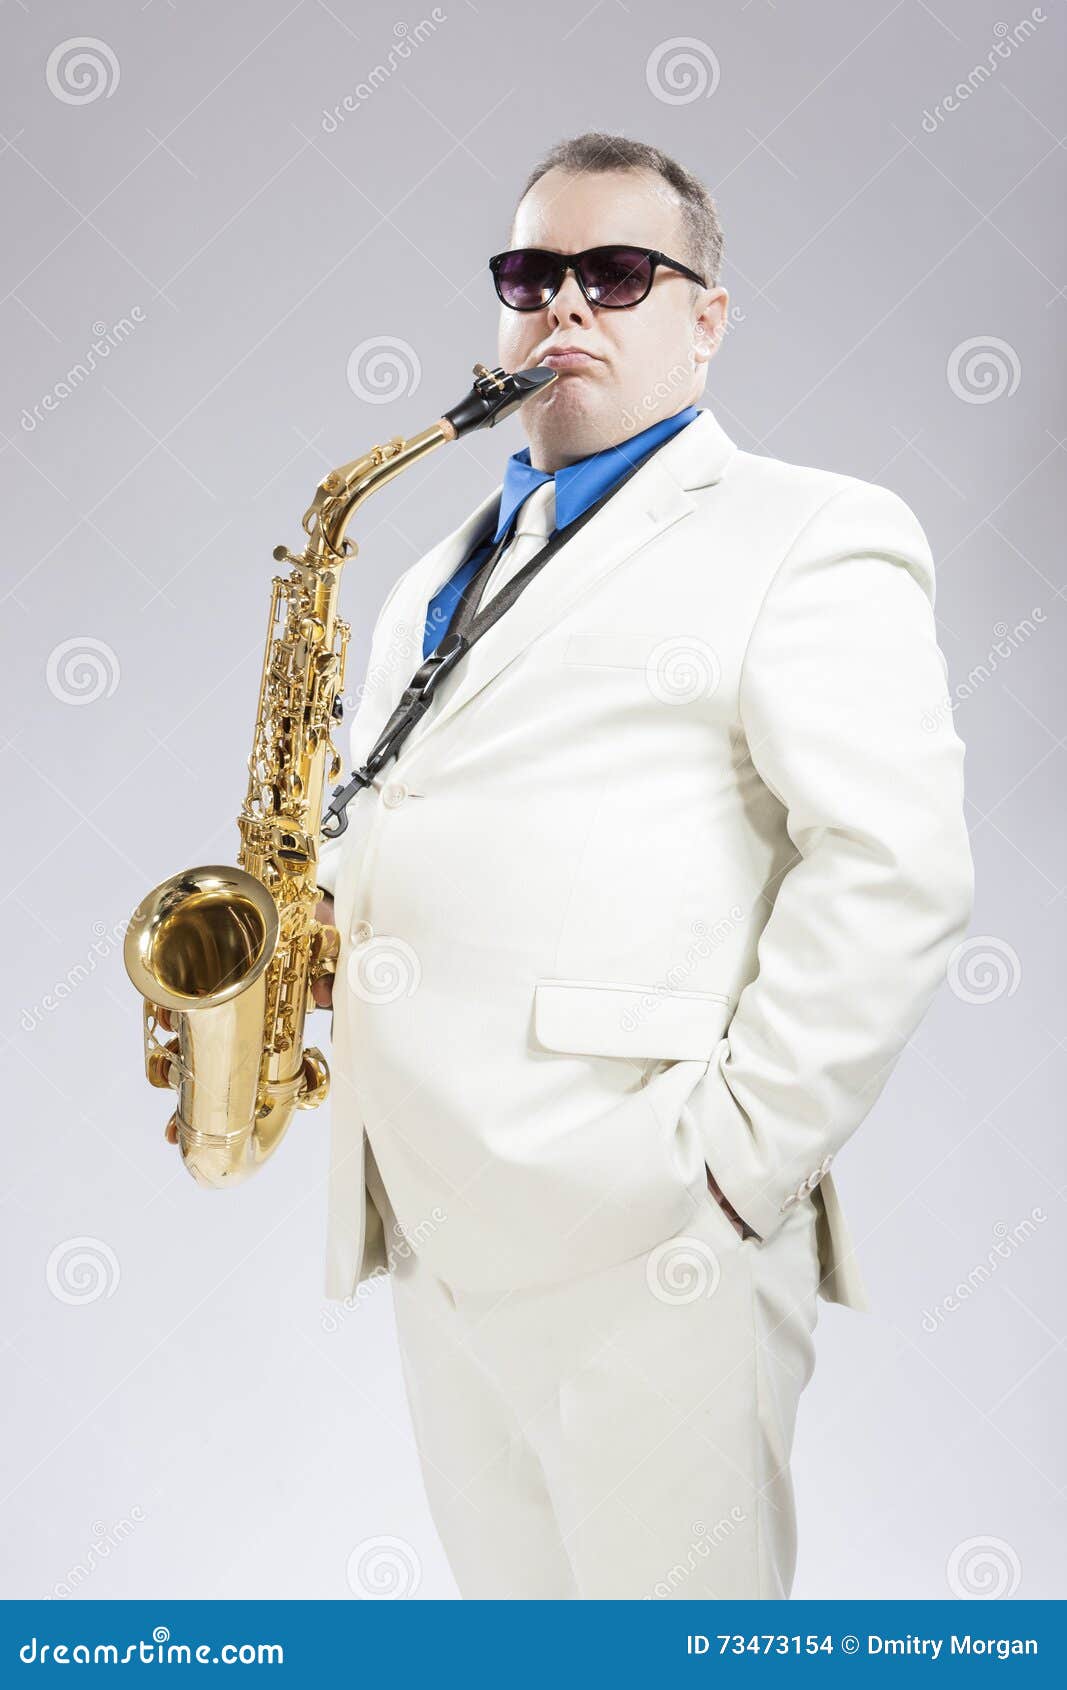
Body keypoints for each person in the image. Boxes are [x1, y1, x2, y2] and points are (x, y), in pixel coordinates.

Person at [307, 132, 972, 1598]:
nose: (566, 308)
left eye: (617, 274)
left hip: (651, 1238)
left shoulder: (814, 533)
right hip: (440, 1227)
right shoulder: (436, 571)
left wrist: (736, 1171)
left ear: (706, 320)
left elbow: (896, 867)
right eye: (530, 274)